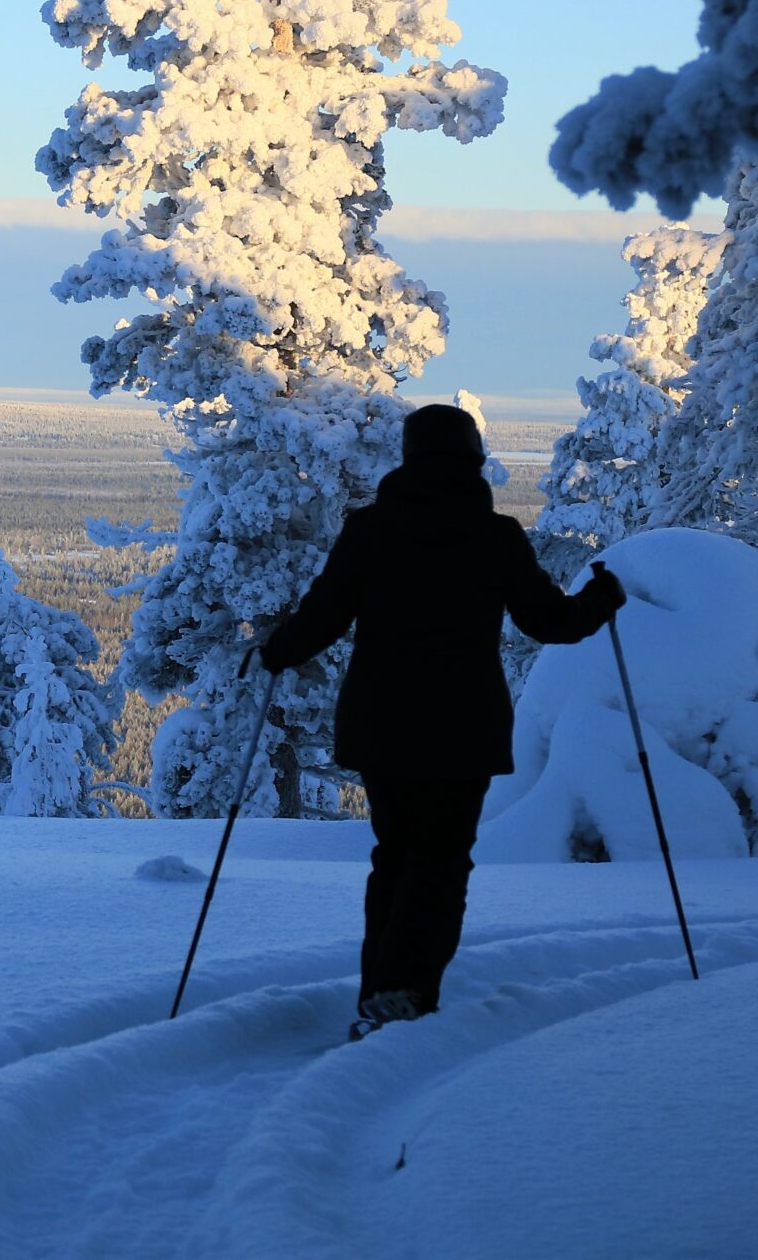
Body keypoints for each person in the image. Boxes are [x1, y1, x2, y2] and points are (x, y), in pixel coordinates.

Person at [260, 403, 624, 1041]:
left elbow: (323, 616)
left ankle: (382, 993)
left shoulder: (369, 530)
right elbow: (550, 623)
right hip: (463, 727)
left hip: (381, 723)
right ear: (473, 459)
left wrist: (274, 652)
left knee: (395, 856)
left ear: (409, 457)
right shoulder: (495, 536)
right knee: (441, 861)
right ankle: (404, 994)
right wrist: (600, 599)